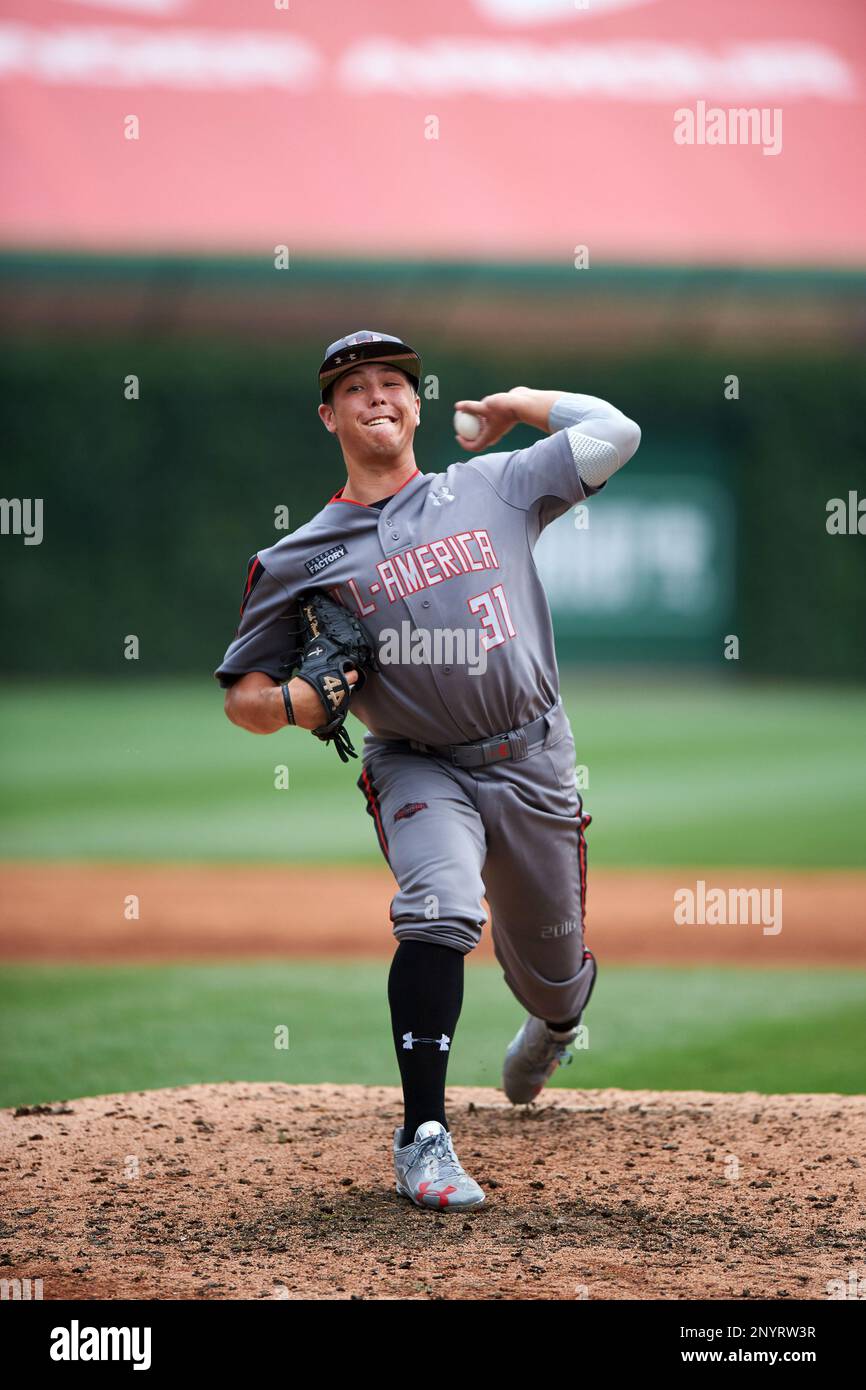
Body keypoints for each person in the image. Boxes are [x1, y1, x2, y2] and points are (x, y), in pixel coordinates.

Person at [215, 330, 641, 1211]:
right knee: (440, 906)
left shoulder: (492, 484)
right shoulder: (300, 558)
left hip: (532, 758)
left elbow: (616, 433)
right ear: (329, 414)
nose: (378, 396)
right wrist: (303, 699)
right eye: (355, 386)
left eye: (394, 383)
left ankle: (555, 1024)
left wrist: (516, 403)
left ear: (416, 404)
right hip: (416, 764)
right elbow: (244, 698)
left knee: (554, 973)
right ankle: (424, 1138)